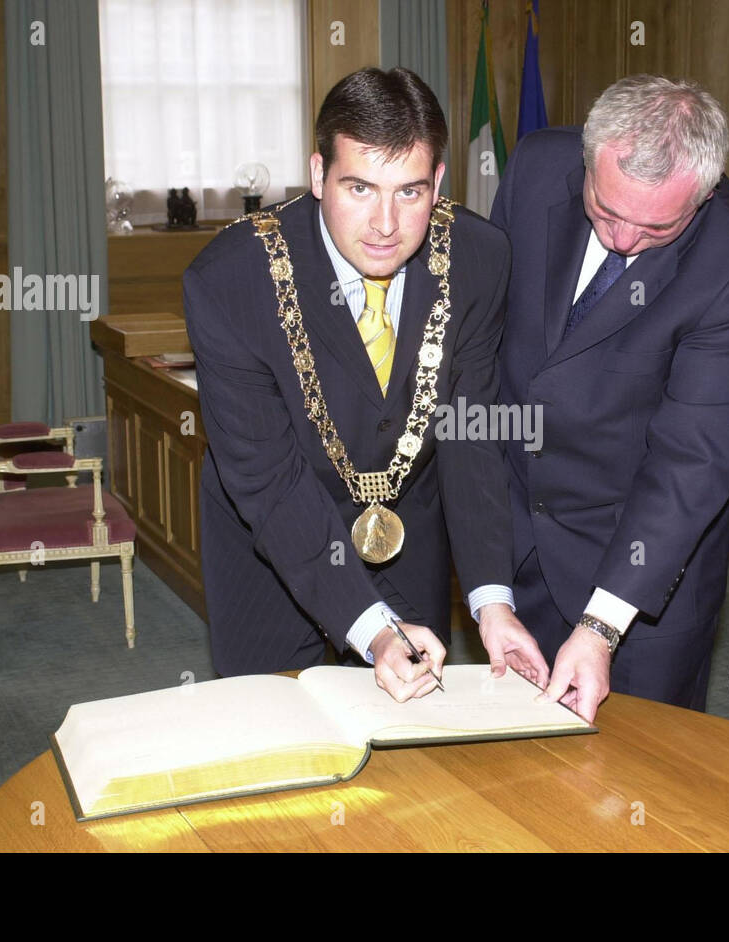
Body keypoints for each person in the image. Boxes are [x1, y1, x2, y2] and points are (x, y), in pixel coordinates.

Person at [183, 67, 546, 701]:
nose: (384, 223)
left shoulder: (480, 259)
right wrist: (375, 630)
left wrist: (491, 600)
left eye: (409, 192)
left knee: (410, 740)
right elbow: (269, 483)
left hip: (409, 520)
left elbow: (471, 439)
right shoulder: (230, 281)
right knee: (273, 730)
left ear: (437, 183)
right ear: (319, 174)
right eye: (359, 188)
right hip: (272, 533)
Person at [491, 75, 729, 720]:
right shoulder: (539, 164)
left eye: (656, 226)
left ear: (705, 194)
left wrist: (601, 625)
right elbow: (487, 340)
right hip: (516, 534)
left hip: (636, 566)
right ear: (586, 162)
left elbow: (692, 460)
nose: (622, 241)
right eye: (605, 211)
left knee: (644, 786)